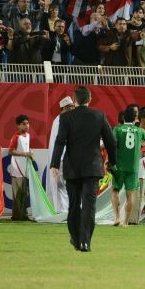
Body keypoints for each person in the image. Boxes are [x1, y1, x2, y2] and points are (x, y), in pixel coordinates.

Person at [49, 87, 117, 252]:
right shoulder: (99, 116)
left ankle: (75, 238)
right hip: (92, 168)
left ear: (74, 100)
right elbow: (111, 141)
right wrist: (112, 162)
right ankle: (85, 241)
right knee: (89, 206)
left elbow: (60, 141)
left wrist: (54, 164)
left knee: (73, 205)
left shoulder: (65, 117)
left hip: (72, 168)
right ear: (90, 99)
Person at [111, 106, 145, 227]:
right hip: (133, 167)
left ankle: (117, 217)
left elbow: (112, 144)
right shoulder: (140, 131)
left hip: (119, 165)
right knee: (130, 194)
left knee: (115, 191)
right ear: (135, 118)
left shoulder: (117, 129)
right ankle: (126, 222)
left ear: (124, 117)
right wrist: (139, 145)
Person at [47, 97, 75, 213]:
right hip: (60, 159)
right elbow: (59, 142)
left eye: (73, 106)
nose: (73, 109)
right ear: (64, 108)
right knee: (60, 186)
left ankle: (63, 210)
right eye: (70, 107)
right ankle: (62, 211)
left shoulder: (59, 120)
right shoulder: (61, 120)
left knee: (62, 186)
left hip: (60, 159)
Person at [7, 115, 32, 221]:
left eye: (27, 123)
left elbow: (26, 150)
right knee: (17, 192)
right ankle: (17, 216)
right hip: (17, 168)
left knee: (24, 192)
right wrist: (25, 154)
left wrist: (30, 154)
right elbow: (10, 151)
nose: (26, 125)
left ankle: (23, 214)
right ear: (18, 126)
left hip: (25, 167)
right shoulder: (16, 137)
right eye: (23, 124)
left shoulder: (28, 136)